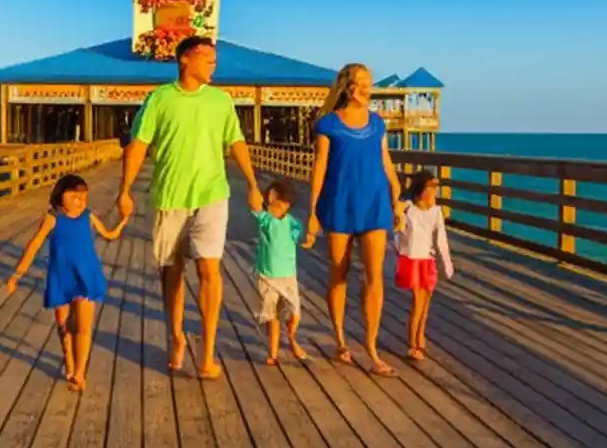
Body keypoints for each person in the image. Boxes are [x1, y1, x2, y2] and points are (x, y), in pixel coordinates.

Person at [116, 35, 264, 379]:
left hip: (212, 194)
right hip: (169, 196)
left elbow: (236, 141)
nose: (214, 65)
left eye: (215, 60)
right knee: (172, 271)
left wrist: (253, 184)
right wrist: (124, 190)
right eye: (208, 59)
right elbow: (139, 145)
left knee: (209, 269)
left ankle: (207, 351)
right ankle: (176, 336)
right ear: (185, 60)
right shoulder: (159, 99)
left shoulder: (221, 101)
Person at [303, 63, 404, 376]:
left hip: (374, 203)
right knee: (339, 271)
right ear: (347, 88)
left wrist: (396, 194)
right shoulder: (329, 125)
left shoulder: (377, 123)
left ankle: (371, 346)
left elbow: (385, 159)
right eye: (361, 83)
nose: (366, 89)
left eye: (369, 83)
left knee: (375, 276)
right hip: (340, 202)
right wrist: (312, 213)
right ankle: (340, 338)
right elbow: (319, 168)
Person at [7, 174, 126, 391]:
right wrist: (17, 275)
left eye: (84, 196)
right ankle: (69, 357)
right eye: (74, 196)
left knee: (82, 326)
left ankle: (80, 372)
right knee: (64, 325)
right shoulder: (53, 218)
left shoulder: (88, 217)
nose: (80, 201)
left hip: (86, 277)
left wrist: (124, 219)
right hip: (61, 277)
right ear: (60, 194)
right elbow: (34, 245)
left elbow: (109, 234)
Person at [394, 170, 454, 361]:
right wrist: (401, 248)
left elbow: (441, 239)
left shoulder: (436, 212)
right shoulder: (408, 209)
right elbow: (398, 233)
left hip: (427, 260)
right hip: (412, 259)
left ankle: (420, 334)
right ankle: (412, 343)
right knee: (418, 302)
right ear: (422, 188)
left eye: (436, 187)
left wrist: (446, 263)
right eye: (431, 187)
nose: (435, 191)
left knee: (426, 303)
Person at [252, 179, 308, 366]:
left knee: (294, 312)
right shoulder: (265, 219)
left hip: (288, 276)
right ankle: (273, 352)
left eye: (278, 204)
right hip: (267, 276)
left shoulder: (293, 224)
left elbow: (300, 235)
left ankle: (292, 338)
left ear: (287, 205)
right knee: (272, 315)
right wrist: (252, 184)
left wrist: (309, 237)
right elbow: (253, 203)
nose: (274, 208)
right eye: (271, 204)